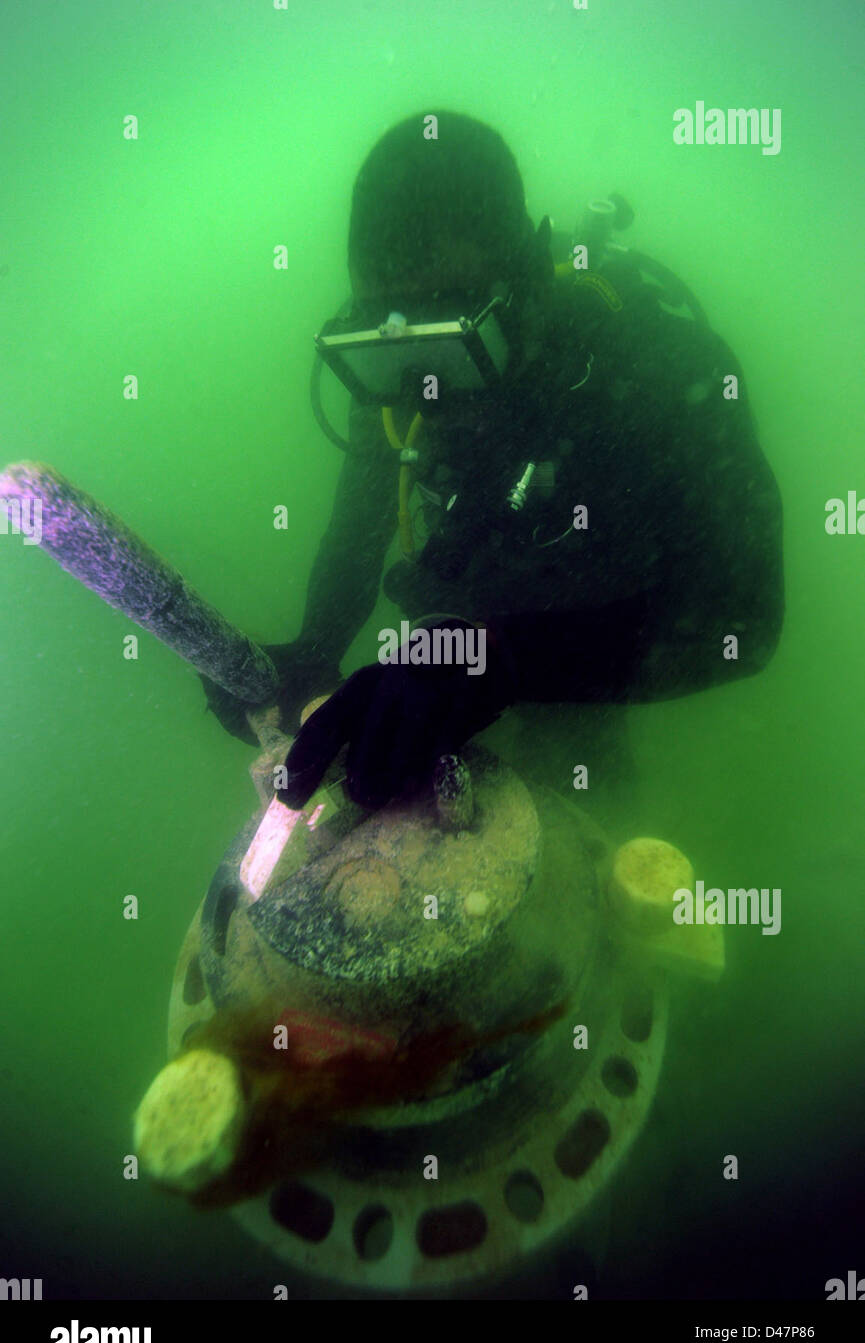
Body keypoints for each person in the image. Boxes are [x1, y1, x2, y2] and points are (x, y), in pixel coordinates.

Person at [202, 111, 783, 823]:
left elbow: (743, 625)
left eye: (452, 330)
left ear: (526, 279)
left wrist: (498, 665)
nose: (424, 383)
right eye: (392, 330)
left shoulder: (660, 368)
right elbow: (361, 521)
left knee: (577, 835)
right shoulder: (397, 356)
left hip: (597, 631)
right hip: (465, 641)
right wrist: (313, 651)